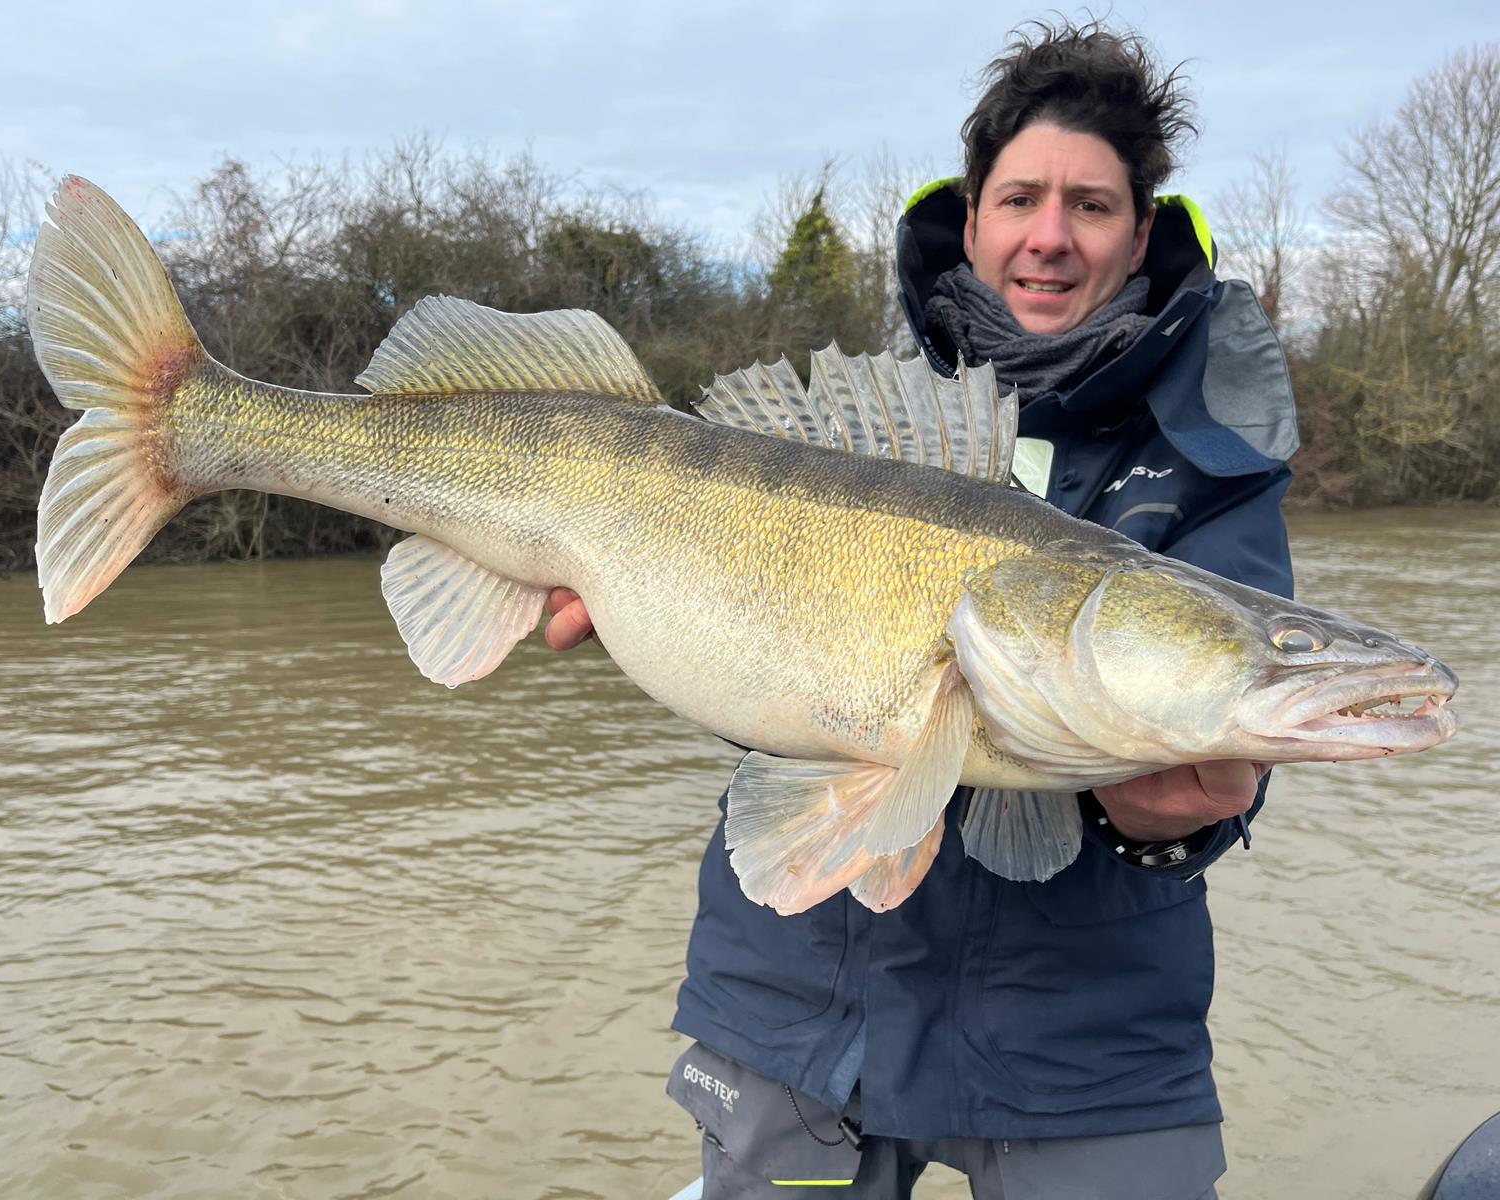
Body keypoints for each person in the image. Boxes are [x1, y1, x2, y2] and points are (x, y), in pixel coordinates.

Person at [548, 18, 1297, 1199]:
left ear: (1141, 230)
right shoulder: (854, 419)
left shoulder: (1211, 461)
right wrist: (646, 600)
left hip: (1089, 1049)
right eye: (1021, 199)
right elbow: (766, 699)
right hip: (799, 1012)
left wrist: (1168, 819)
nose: (1049, 237)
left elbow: (1217, 757)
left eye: (1092, 206)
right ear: (974, 213)